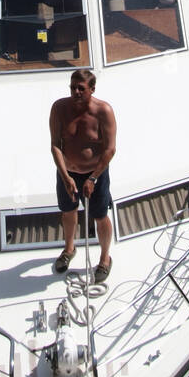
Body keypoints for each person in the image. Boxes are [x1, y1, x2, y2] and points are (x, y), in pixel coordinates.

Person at [49, 69, 117, 282]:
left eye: (81, 88)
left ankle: (105, 258)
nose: (76, 92)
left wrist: (93, 178)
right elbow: (55, 145)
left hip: (95, 174)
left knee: (100, 215)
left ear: (92, 89)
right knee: (68, 211)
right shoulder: (59, 109)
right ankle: (69, 249)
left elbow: (110, 150)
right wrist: (65, 177)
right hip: (67, 173)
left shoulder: (103, 111)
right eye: (72, 88)